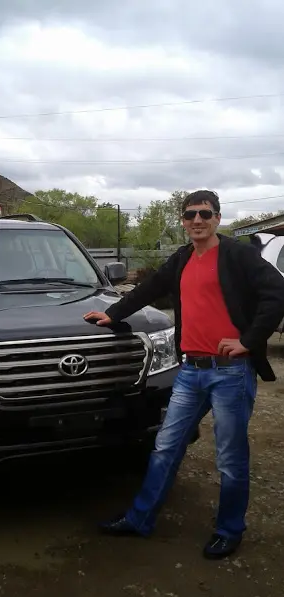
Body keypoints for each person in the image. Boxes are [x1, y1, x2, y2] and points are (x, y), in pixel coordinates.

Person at [83, 190, 284, 559]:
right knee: (165, 447)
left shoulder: (237, 255)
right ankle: (139, 519)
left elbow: (277, 291)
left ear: (218, 218)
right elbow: (149, 288)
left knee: (230, 458)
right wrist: (113, 313)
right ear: (183, 221)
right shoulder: (183, 258)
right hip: (191, 371)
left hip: (231, 373)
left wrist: (249, 339)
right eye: (190, 214)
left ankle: (229, 530)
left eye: (205, 214)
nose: (197, 220)